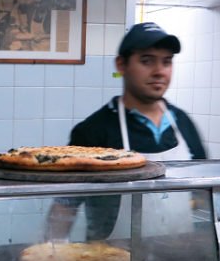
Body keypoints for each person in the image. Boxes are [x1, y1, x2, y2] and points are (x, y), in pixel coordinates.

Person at [47, 22, 206, 241]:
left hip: (180, 256)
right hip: (110, 257)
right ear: (121, 65)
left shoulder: (183, 122)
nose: (159, 71)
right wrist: (52, 252)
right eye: (147, 61)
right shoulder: (94, 131)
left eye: (166, 62)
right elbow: (66, 204)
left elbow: (204, 188)